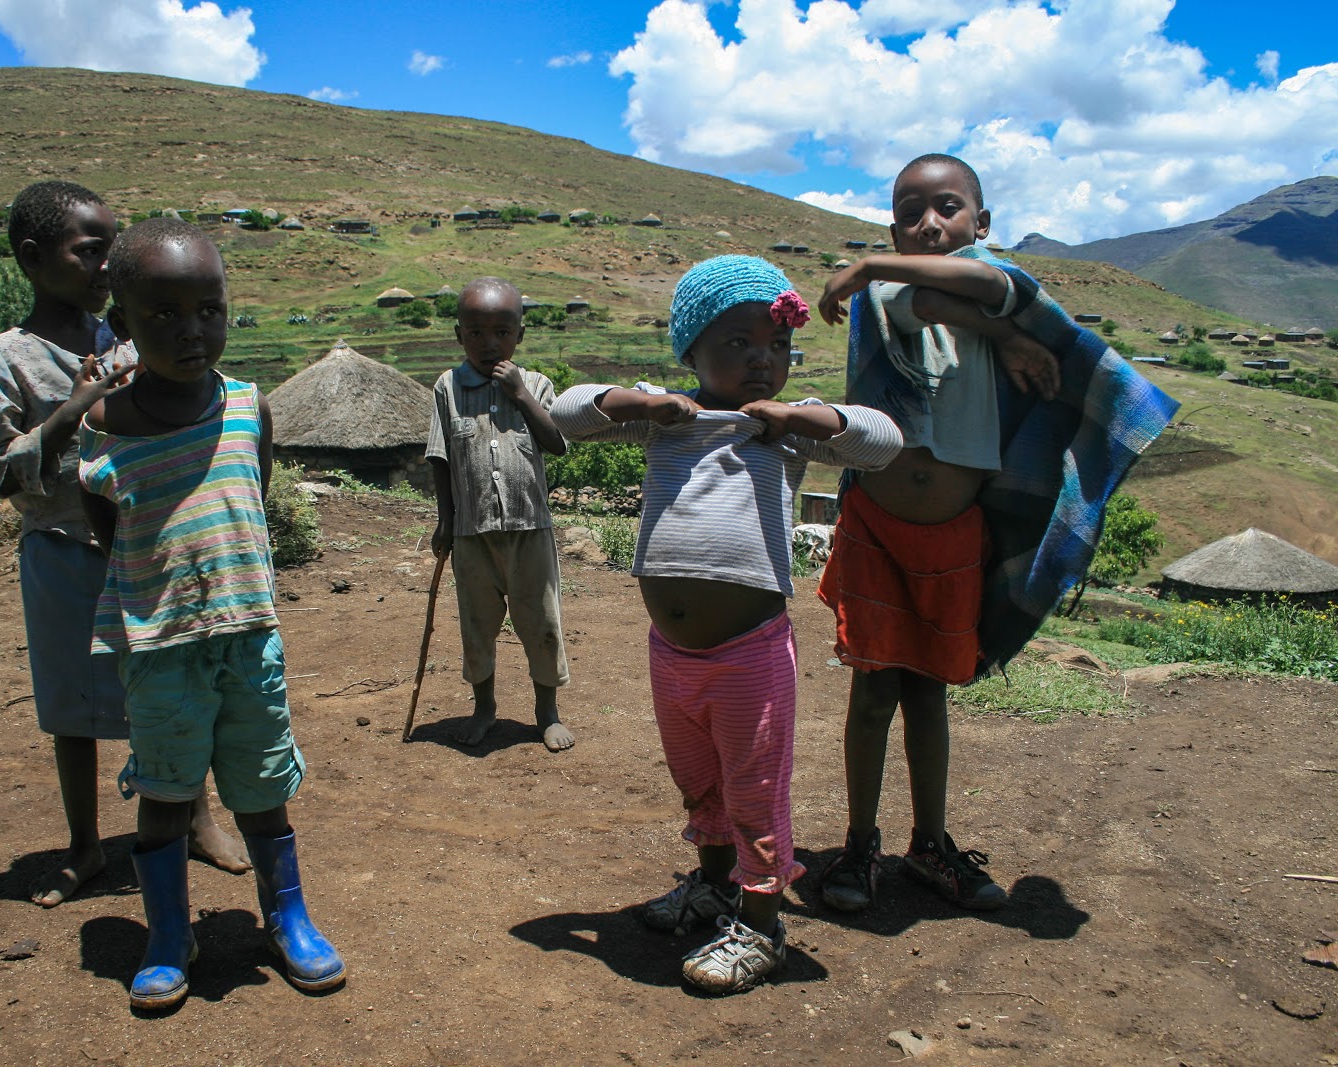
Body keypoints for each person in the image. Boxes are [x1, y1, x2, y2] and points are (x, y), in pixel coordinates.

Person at [814, 153, 1177, 914]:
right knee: (875, 692)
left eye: (947, 208)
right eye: (910, 212)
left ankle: (930, 843)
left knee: (930, 694)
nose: (928, 223)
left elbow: (991, 287)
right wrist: (995, 335)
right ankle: (858, 843)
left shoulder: (990, 285)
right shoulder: (889, 297)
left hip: (955, 532)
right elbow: (925, 301)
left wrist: (994, 325)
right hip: (878, 526)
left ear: (983, 224)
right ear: (892, 226)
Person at [550, 256, 902, 995]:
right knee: (698, 784)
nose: (762, 361)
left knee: (754, 789)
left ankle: (763, 923)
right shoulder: (665, 421)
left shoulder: (784, 435)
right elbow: (564, 413)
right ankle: (714, 890)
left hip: (749, 654)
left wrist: (800, 416)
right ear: (692, 350)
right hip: (672, 652)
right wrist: (641, 405)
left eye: (777, 346)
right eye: (739, 343)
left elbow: (882, 439)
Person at [80, 218, 344, 1009]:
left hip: (247, 638)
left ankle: (286, 914)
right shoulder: (105, 428)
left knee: (263, 788)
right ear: (121, 324)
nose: (192, 330)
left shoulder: (248, 407)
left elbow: (251, 498)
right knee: (165, 795)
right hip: (160, 647)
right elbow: (112, 532)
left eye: (209, 309)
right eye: (163, 315)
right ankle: (168, 933)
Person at [0, 181, 246, 911]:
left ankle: (196, 818)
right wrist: (72, 410)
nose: (107, 265)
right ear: (33, 258)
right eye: (91, 250)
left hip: (148, 543)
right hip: (62, 547)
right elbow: (0, 470)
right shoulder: (9, 356)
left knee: (175, 689)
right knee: (73, 704)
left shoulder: (132, 339)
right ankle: (85, 844)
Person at [425, 277, 574, 752]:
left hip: (530, 528)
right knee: (477, 624)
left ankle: (546, 711)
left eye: (502, 333)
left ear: (519, 335)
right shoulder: (447, 387)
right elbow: (439, 457)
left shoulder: (536, 385)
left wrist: (521, 395)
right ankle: (484, 708)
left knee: (542, 623)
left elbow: (556, 442)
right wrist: (446, 521)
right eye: (476, 333)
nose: (489, 344)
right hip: (472, 534)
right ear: (459, 335)